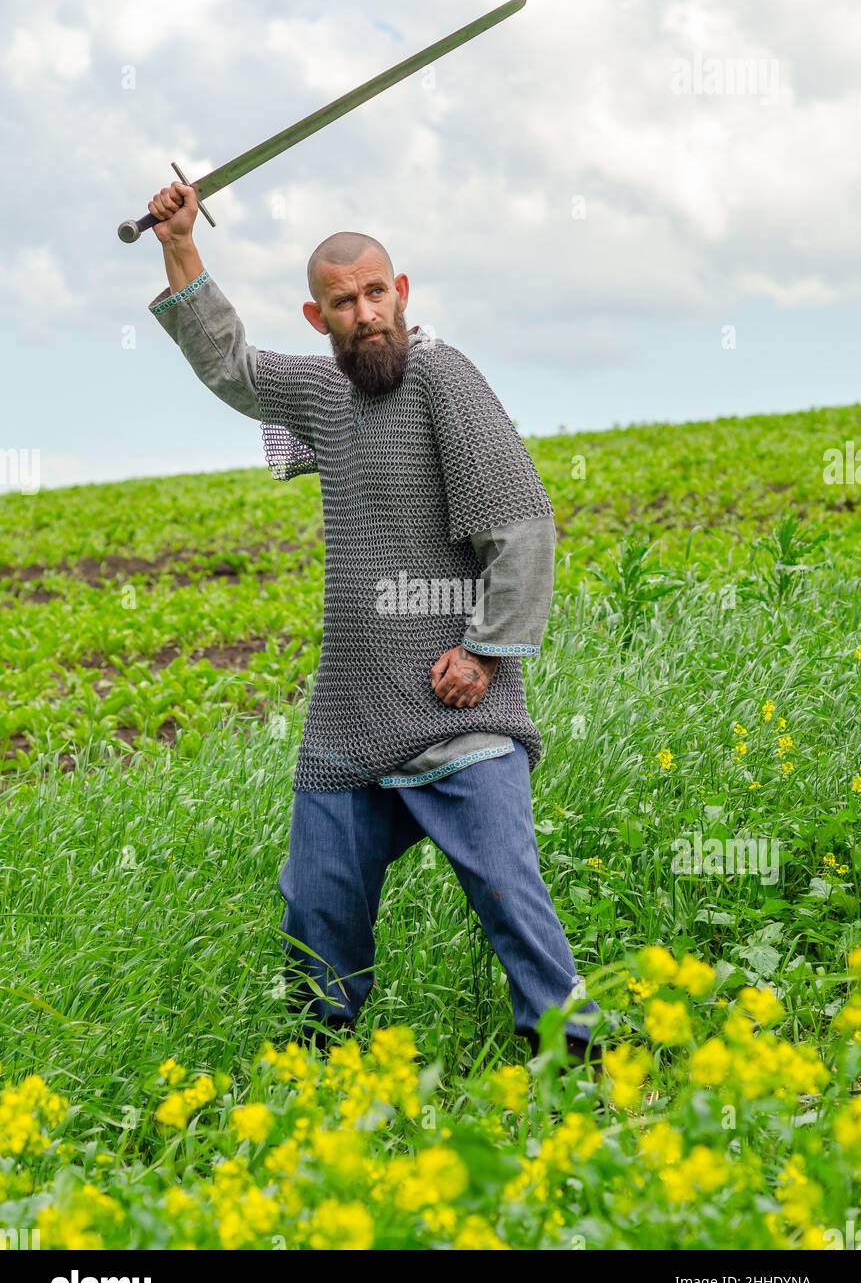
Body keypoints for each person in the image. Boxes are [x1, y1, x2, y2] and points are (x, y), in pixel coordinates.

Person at [145, 180, 602, 1066]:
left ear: (403, 292)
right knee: (317, 901)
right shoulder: (324, 392)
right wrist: (179, 244)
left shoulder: (441, 375)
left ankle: (572, 1056)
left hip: (457, 705)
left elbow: (520, 525)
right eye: (344, 303)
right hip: (351, 712)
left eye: (375, 293)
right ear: (317, 318)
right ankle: (319, 1059)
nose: (365, 315)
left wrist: (482, 652)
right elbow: (233, 366)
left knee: (508, 890)